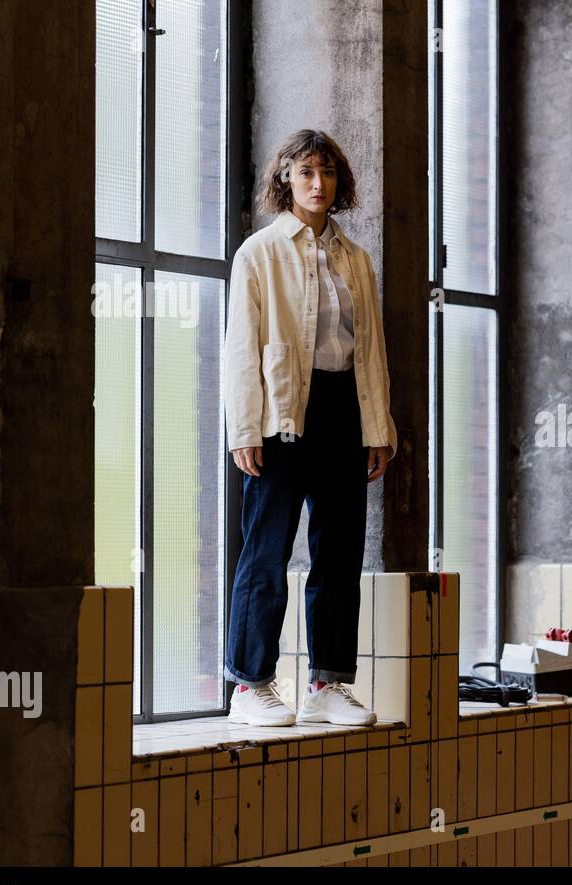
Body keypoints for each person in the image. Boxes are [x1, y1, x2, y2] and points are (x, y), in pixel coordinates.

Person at [221, 129, 396, 727]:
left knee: (340, 555)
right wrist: (245, 429)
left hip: (345, 408)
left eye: (327, 173)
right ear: (286, 180)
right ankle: (250, 685)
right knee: (266, 551)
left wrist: (378, 427)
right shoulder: (259, 253)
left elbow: (370, 350)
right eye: (305, 172)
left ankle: (327, 683)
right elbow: (241, 351)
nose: (317, 184)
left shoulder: (357, 259)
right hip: (282, 413)